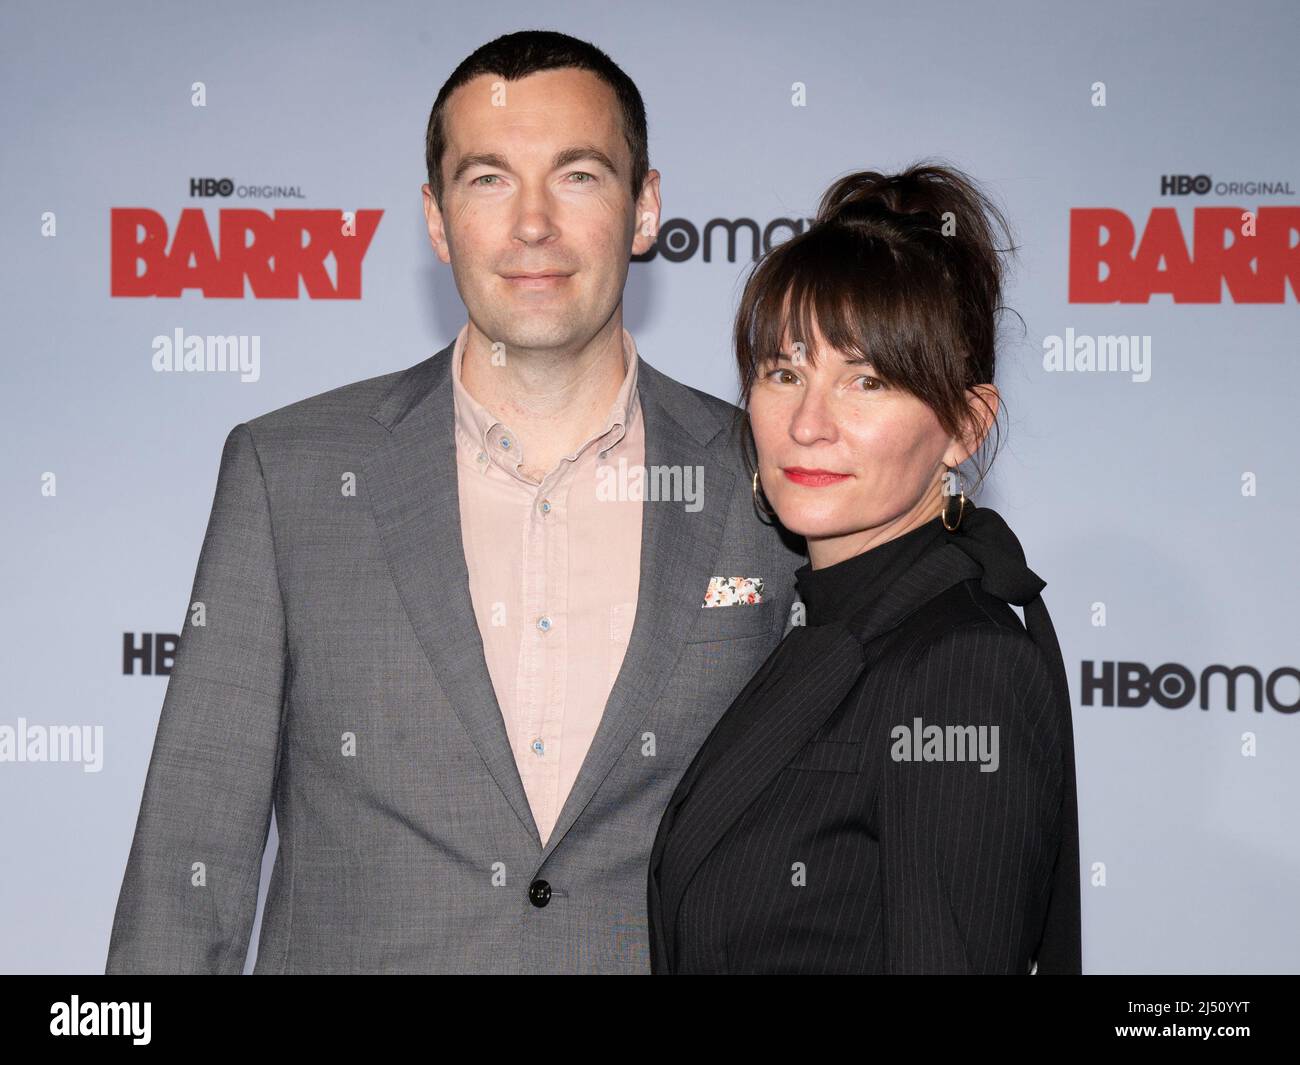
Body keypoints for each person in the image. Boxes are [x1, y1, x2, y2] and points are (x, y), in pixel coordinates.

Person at [106, 30, 805, 974]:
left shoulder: (768, 476)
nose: (531, 224)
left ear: (646, 209)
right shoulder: (290, 474)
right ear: (436, 221)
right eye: (487, 179)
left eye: (578, 176)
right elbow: (187, 875)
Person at [647, 162, 1083, 974]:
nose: (809, 423)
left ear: (965, 424)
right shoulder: (827, 627)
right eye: (784, 371)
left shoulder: (962, 666)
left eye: (868, 380)